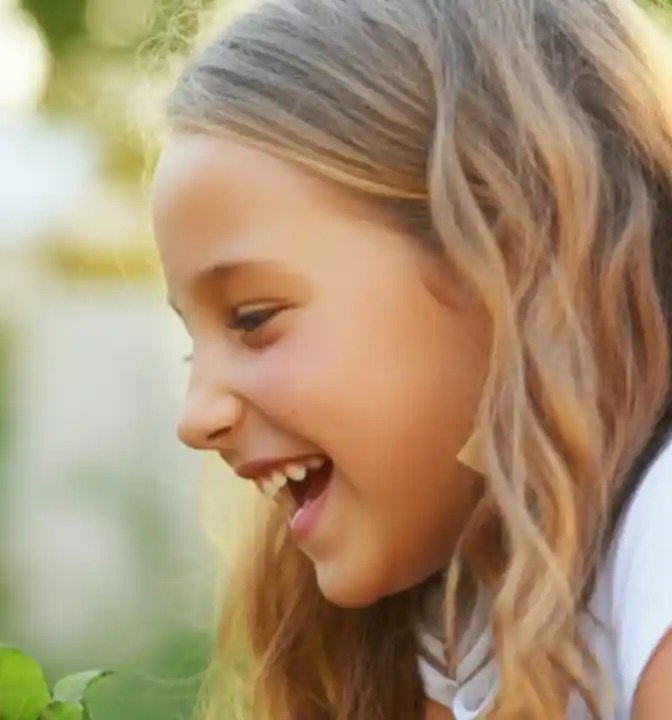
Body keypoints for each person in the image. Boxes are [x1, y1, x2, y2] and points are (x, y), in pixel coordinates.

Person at [150, 0, 672, 717]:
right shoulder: (457, 614)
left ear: (508, 259)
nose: (197, 416)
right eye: (192, 346)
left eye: (253, 319)